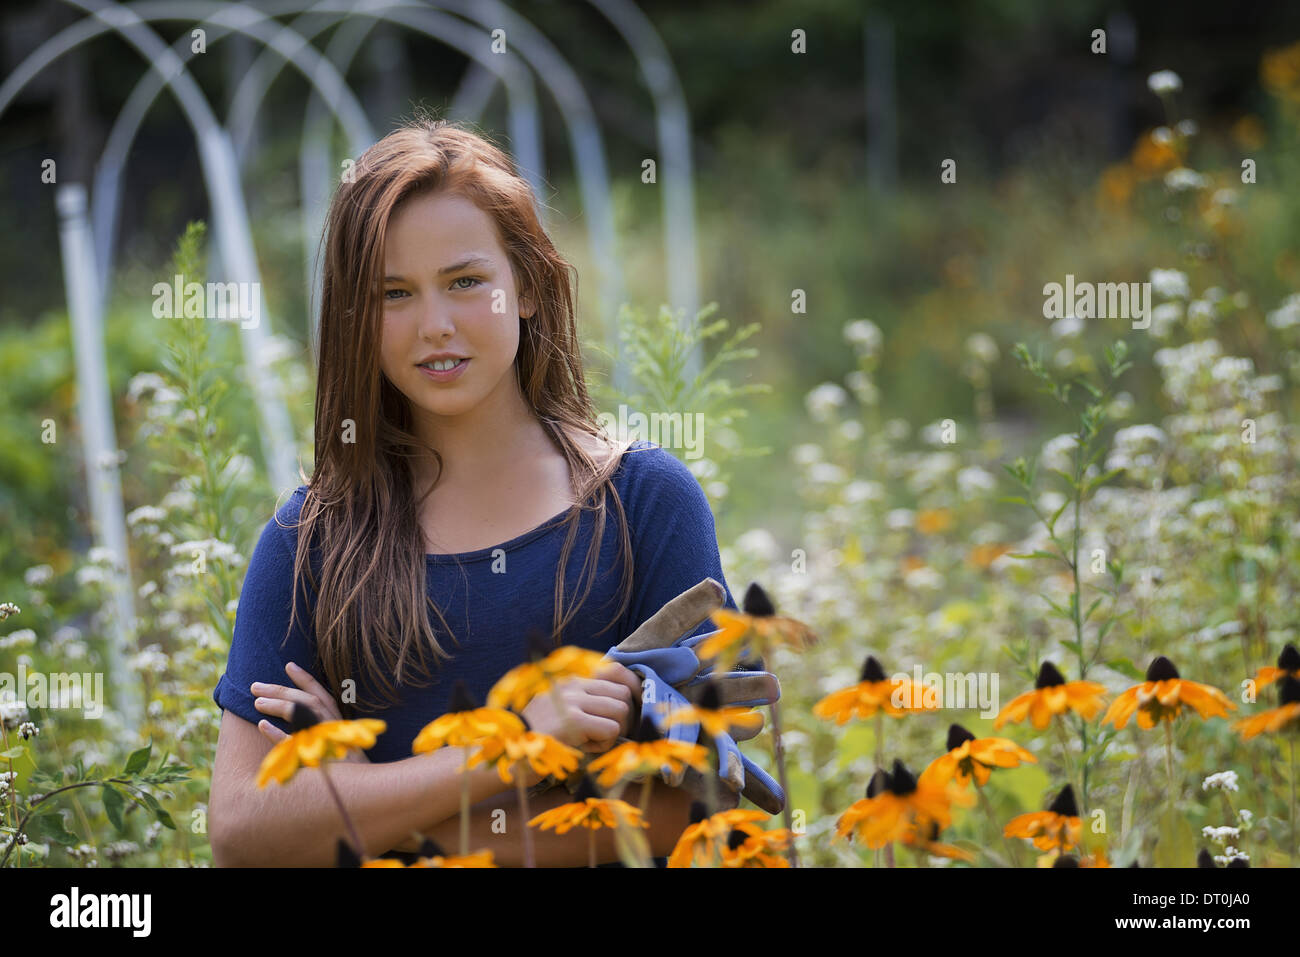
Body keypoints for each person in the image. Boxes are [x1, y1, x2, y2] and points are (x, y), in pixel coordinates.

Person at [208, 115, 738, 867]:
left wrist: (371, 809)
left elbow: (682, 815)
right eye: (395, 293)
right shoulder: (313, 542)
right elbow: (241, 829)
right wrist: (516, 749)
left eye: (465, 282)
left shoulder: (644, 504)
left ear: (526, 286)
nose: (435, 325)